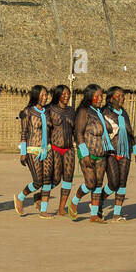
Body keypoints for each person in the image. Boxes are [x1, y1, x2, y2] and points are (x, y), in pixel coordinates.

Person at [70, 84, 112, 222]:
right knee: (90, 183)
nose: (101, 98)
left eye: (102, 96)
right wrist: (85, 154)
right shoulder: (84, 111)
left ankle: (94, 215)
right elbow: (79, 134)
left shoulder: (99, 112)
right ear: (90, 96)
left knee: (98, 184)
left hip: (101, 154)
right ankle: (75, 201)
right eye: (98, 96)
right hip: (87, 153)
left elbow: (109, 128)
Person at [102, 86, 136, 221]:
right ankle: (99, 201)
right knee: (113, 183)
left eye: (122, 96)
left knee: (122, 183)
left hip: (125, 152)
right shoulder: (104, 112)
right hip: (110, 152)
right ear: (110, 98)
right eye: (118, 96)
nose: (121, 98)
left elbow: (130, 134)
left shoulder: (124, 114)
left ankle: (117, 214)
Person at [17, 86, 53, 216]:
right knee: (38, 181)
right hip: (33, 150)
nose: (45, 97)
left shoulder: (47, 111)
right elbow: (24, 132)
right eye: (42, 95)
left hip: (47, 149)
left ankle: (43, 210)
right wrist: (23, 153)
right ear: (36, 96)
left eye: (46, 95)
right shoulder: (28, 111)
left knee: (48, 180)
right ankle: (21, 196)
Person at [47, 85, 76, 216]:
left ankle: (61, 208)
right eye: (63, 94)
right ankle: (40, 196)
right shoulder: (50, 109)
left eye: (68, 94)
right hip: (55, 148)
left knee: (68, 178)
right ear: (57, 95)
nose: (66, 96)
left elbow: (76, 129)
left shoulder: (71, 111)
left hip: (69, 149)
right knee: (56, 179)